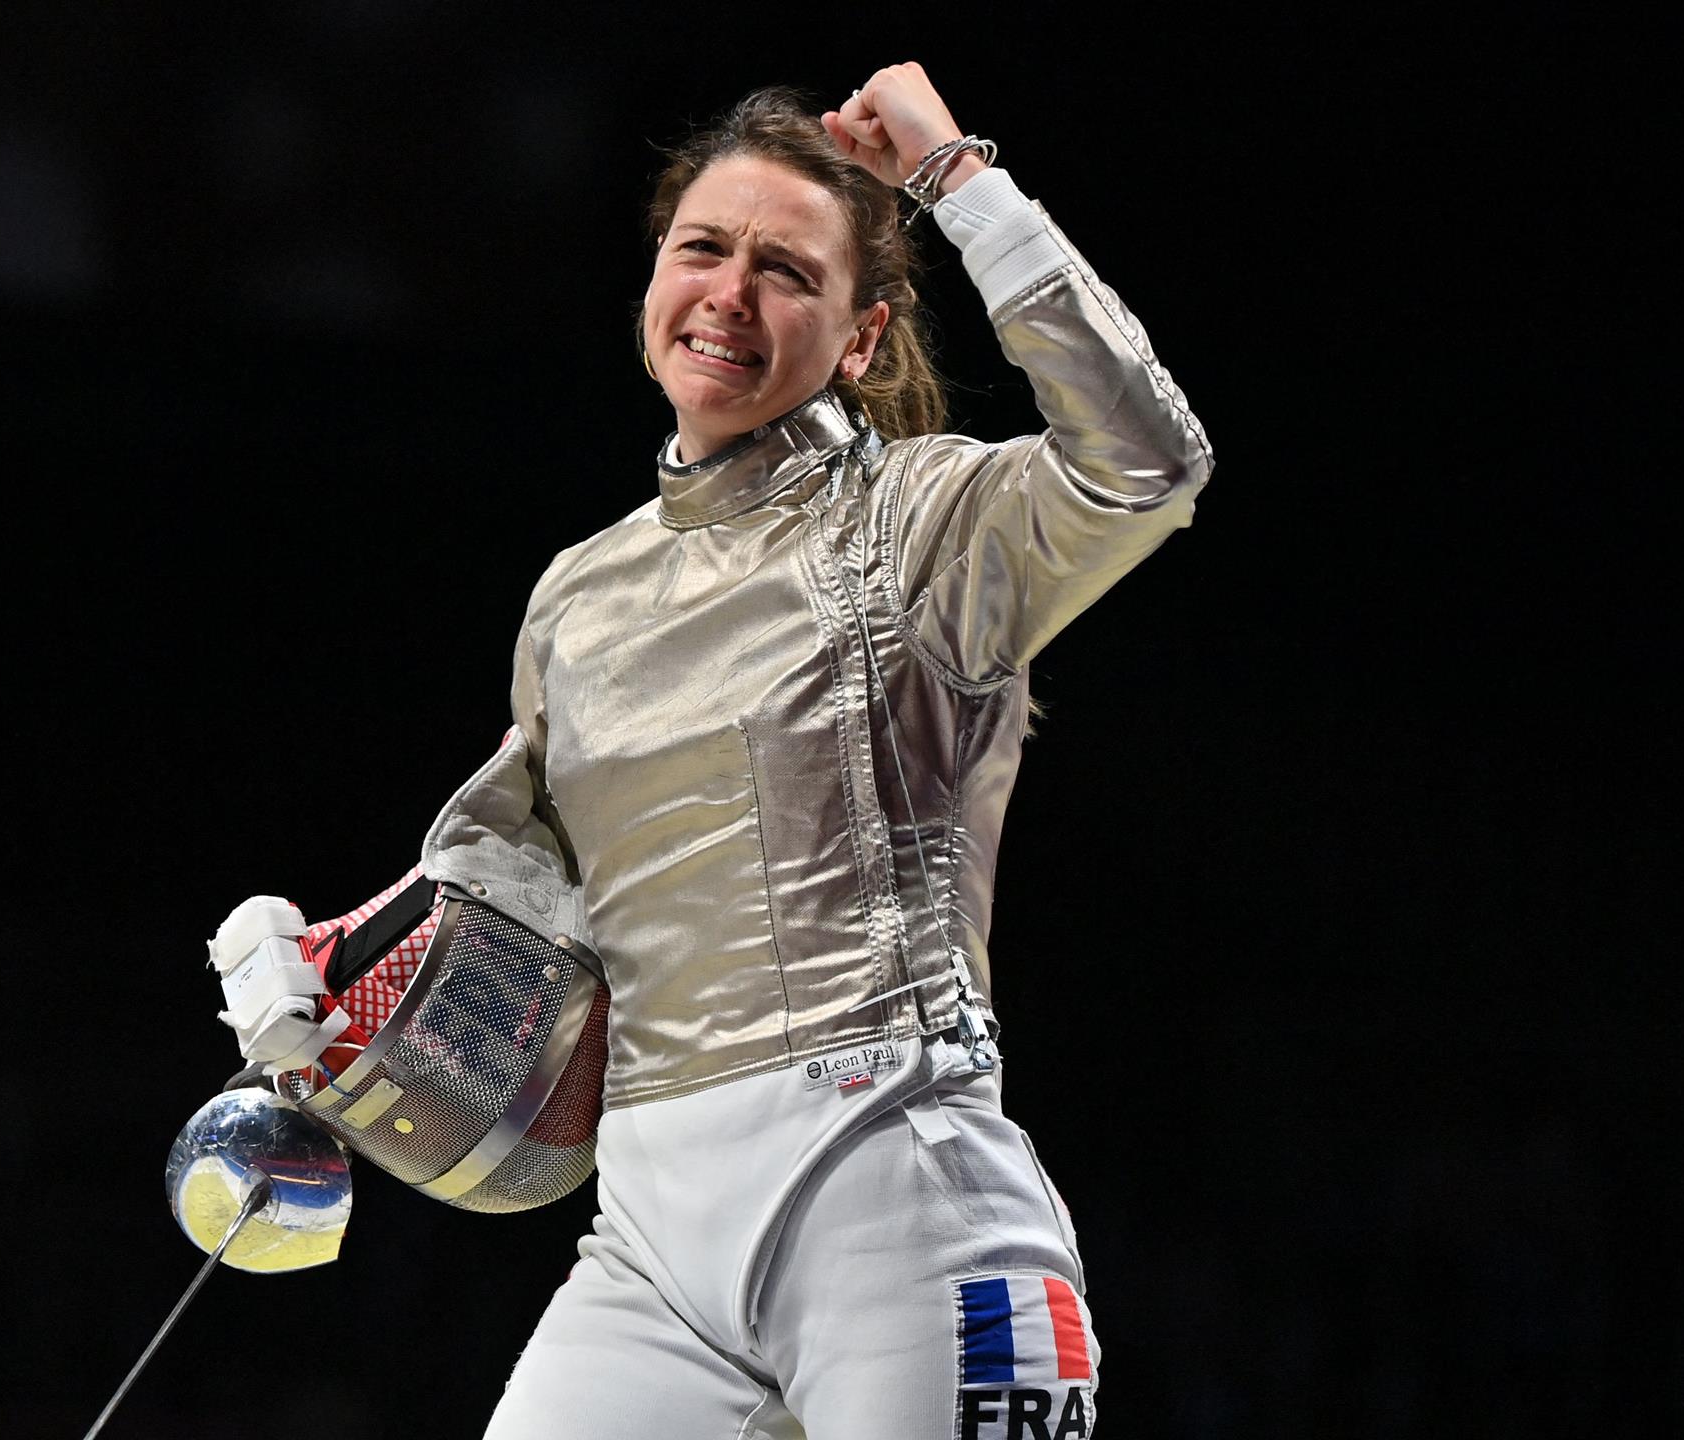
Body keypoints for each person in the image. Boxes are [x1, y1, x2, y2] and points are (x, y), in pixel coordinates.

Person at [208, 63, 1210, 1439]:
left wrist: (953, 175)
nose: (731, 293)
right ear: (653, 289)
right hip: (655, 1240)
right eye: (704, 249)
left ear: (862, 338)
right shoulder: (580, 596)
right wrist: (321, 1008)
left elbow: (1147, 459)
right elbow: (501, 906)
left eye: (786, 270)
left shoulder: (926, 524)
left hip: (897, 1207)